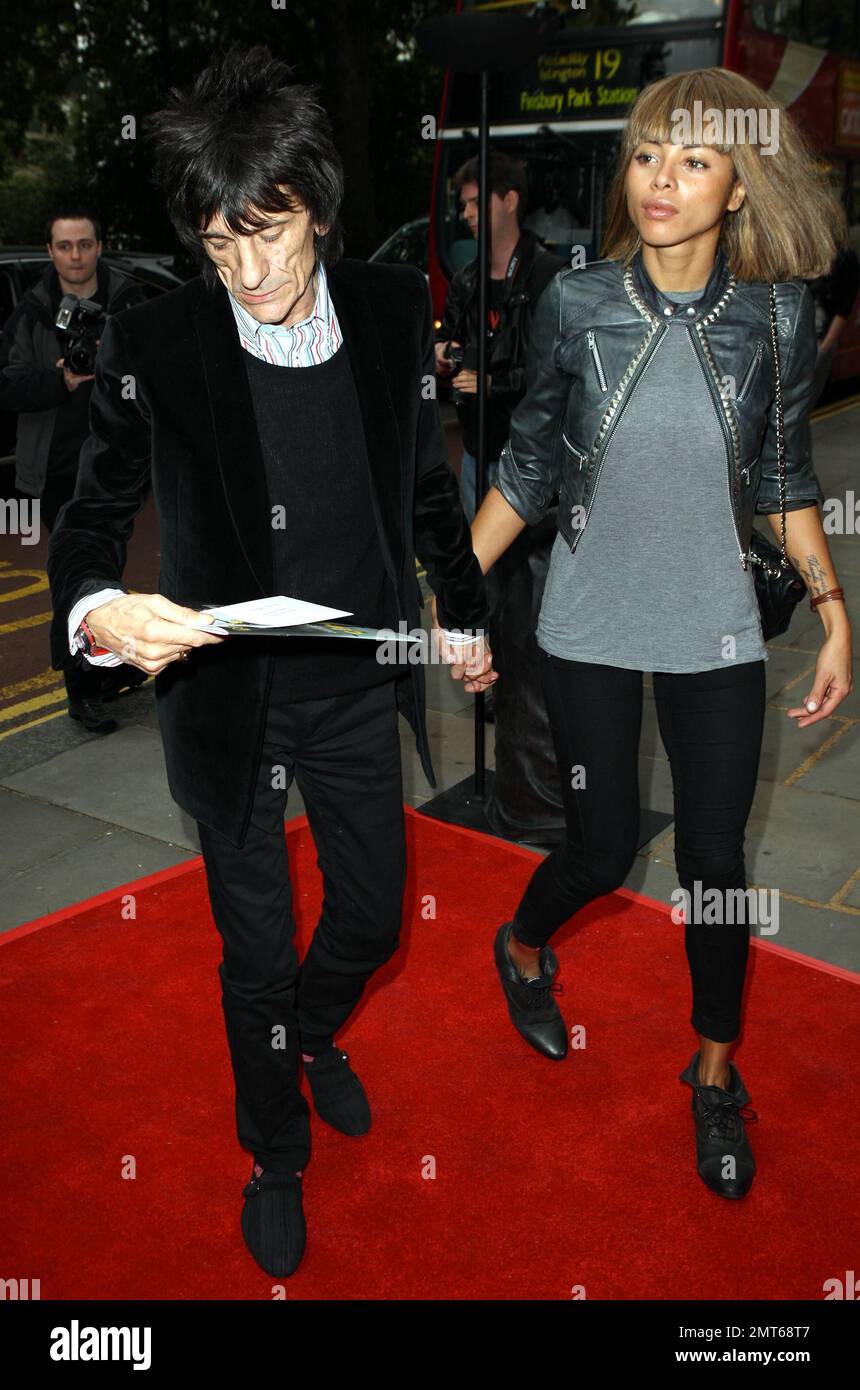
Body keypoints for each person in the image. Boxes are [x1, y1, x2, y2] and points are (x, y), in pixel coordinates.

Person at [46, 44, 496, 1278]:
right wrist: (99, 607)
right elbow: (88, 516)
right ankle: (275, 1148)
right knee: (250, 951)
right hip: (227, 700)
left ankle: (310, 1028)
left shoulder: (397, 309)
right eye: (219, 245)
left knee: (368, 912)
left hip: (353, 688)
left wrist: (460, 607)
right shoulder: (160, 339)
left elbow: (417, 488)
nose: (248, 273)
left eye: (271, 235)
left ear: (319, 209)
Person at [469, 67, 853, 1200]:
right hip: (588, 616)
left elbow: (784, 478)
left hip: (714, 625)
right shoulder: (575, 303)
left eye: (691, 160)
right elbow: (531, 463)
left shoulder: (777, 316)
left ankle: (712, 1073)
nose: (660, 181)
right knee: (596, 846)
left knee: (715, 865)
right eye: (645, 155)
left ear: (739, 185)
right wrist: (437, 581)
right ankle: (523, 945)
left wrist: (834, 616)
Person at [0, 205, 147, 731]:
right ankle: (81, 690)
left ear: (100, 246)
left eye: (85, 244)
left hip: (121, 461)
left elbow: (164, 369)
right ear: (51, 252)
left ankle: (109, 668)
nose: (76, 255)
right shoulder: (34, 310)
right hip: (57, 471)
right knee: (72, 576)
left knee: (110, 570)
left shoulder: (128, 299)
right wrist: (58, 380)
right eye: (65, 246)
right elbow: (7, 386)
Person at [435, 152, 566, 523]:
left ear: (510, 201)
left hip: (532, 460)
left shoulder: (550, 277)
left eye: (477, 202)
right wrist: (443, 356)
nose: (467, 214)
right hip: (477, 455)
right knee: (479, 573)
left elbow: (556, 376)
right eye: (464, 205)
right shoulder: (465, 280)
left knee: (531, 575)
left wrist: (492, 383)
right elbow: (447, 353)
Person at [806, 243, 860, 406]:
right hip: (794, 342)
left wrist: (823, 350)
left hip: (818, 341)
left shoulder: (844, 257)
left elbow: (843, 309)